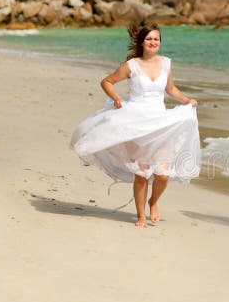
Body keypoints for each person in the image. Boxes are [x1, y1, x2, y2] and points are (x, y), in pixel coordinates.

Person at [70, 24, 201, 227]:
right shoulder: (131, 65)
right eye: (149, 39)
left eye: (156, 39)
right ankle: (141, 216)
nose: (153, 42)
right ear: (141, 42)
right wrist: (116, 99)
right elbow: (107, 82)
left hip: (159, 123)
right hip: (134, 122)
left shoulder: (166, 63)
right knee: (141, 173)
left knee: (163, 175)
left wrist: (186, 100)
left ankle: (153, 202)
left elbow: (171, 88)